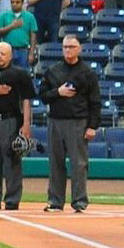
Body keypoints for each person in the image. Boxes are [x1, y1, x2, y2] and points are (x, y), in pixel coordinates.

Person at [37, 34, 99, 213]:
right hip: (55, 121)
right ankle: (55, 201)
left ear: (79, 48)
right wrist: (58, 92)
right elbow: (42, 96)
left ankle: (79, 201)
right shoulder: (53, 71)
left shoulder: (88, 73)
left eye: (72, 47)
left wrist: (92, 126)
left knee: (78, 164)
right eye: (65, 47)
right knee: (55, 163)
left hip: (78, 122)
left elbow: (95, 102)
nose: (68, 50)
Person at [0, 42, 34, 210]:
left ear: (11, 55)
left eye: (3, 53)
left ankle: (12, 200)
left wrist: (26, 124)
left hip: (10, 121)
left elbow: (27, 100)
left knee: (11, 160)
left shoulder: (20, 74)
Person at [0, 0, 37, 68]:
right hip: (7, 51)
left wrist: (31, 53)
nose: (14, 4)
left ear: (22, 3)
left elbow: (33, 36)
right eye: (12, 2)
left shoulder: (30, 16)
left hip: (23, 50)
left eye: (17, 2)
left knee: (22, 75)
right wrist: (11, 26)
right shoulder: (4, 15)